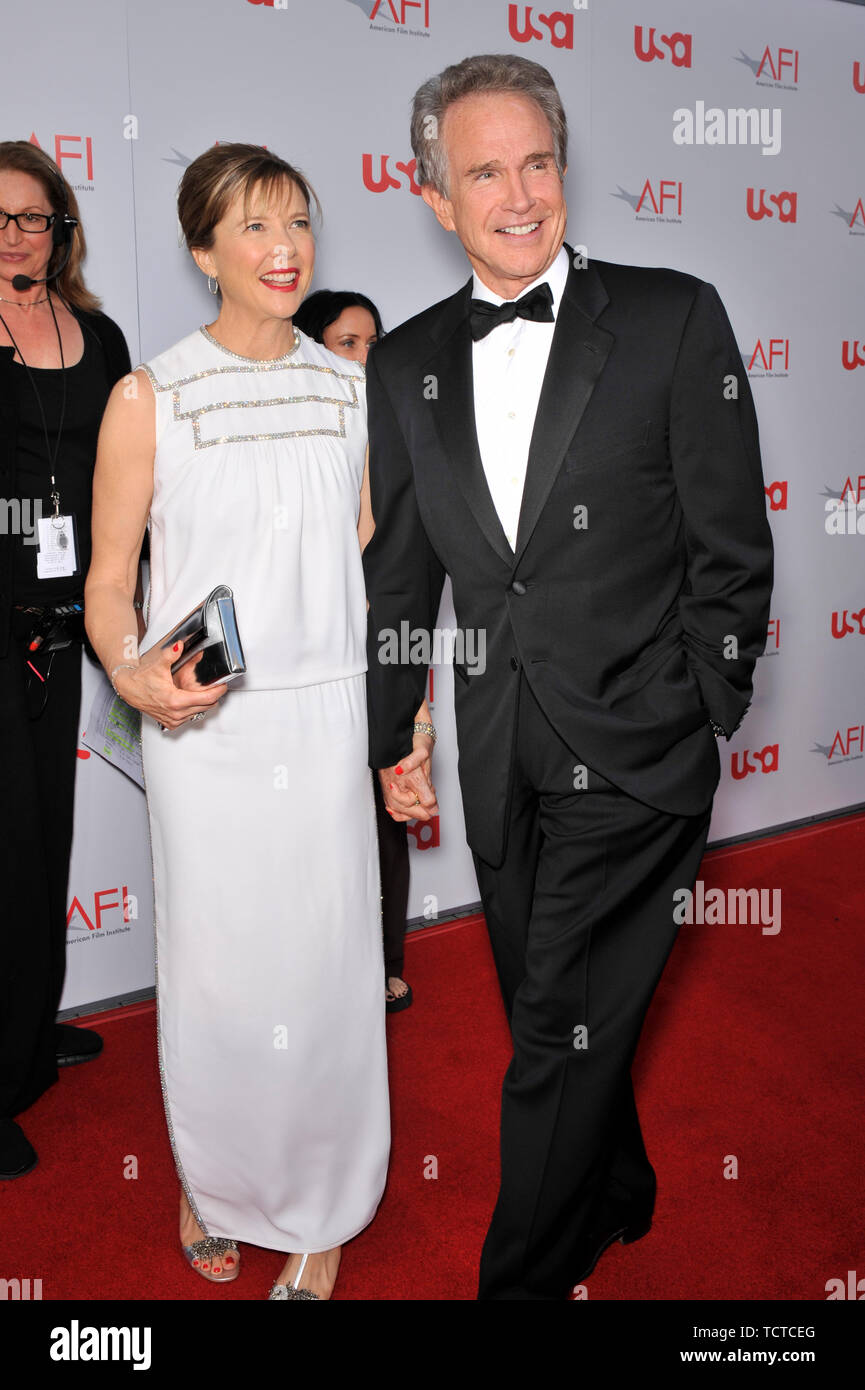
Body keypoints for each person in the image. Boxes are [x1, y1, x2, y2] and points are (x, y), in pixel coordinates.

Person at [362, 54, 774, 1300]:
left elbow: (731, 545)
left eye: (536, 161)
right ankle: (618, 1191)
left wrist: (706, 704)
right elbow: (402, 579)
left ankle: (522, 1279)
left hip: (639, 749)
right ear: (436, 197)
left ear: (564, 165)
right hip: (500, 755)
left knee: (550, 1027)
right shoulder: (409, 359)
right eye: (484, 171)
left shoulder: (669, 315)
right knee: (564, 1006)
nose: (519, 193)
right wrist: (393, 737)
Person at [85, 144, 423, 1299]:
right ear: (202, 251)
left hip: (322, 719)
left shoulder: (347, 387)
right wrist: (135, 677)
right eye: (255, 227)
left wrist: (391, 705)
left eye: (298, 223)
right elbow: (108, 585)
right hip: (208, 735)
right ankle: (215, 1180)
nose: (285, 249)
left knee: (327, 968)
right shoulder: (151, 394)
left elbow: (375, 550)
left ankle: (323, 1205)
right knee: (221, 971)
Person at [0, 141, 131, 1181]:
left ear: (62, 228)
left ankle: (28, 1035)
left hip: (65, 626)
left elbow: (128, 479)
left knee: (45, 842)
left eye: (32, 217)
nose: (14, 235)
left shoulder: (100, 335)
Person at [294, 288, 420, 1013]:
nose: (366, 354)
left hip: (382, 634)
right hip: (309, 639)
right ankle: (319, 966)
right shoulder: (301, 431)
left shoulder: (398, 424)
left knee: (383, 794)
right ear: (314, 348)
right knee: (314, 807)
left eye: (374, 339)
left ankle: (385, 960)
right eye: (348, 341)